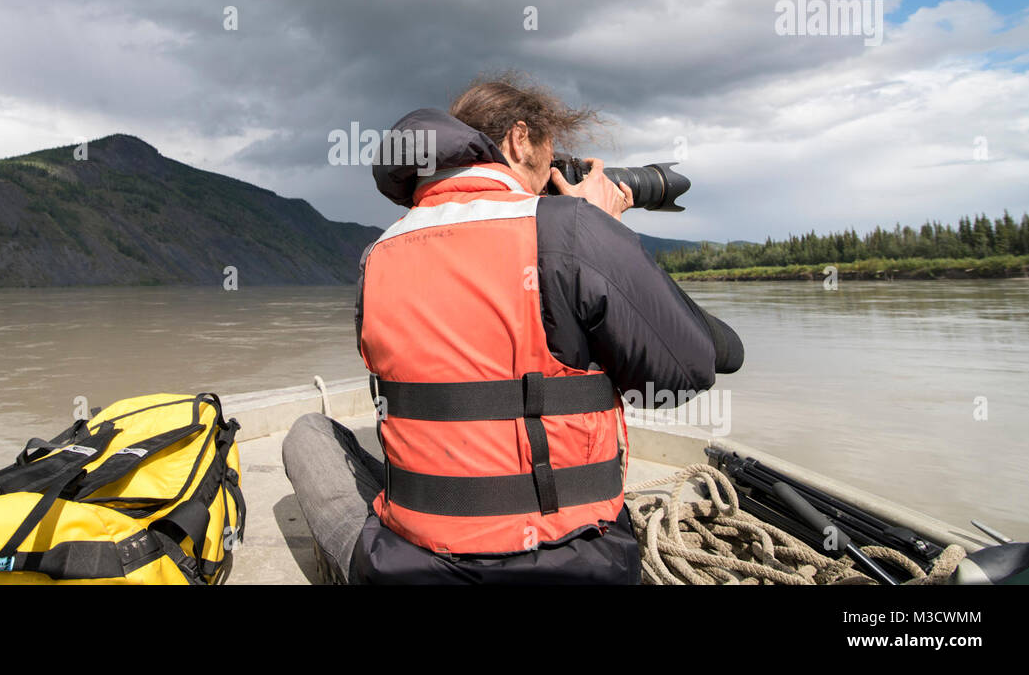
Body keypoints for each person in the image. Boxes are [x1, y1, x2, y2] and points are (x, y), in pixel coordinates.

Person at [283, 74, 744, 583]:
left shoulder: (377, 257)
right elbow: (697, 366)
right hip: (580, 566)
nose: (552, 173)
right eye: (551, 156)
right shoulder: (570, 229)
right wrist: (603, 234)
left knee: (309, 434)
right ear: (519, 138)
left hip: (411, 572)